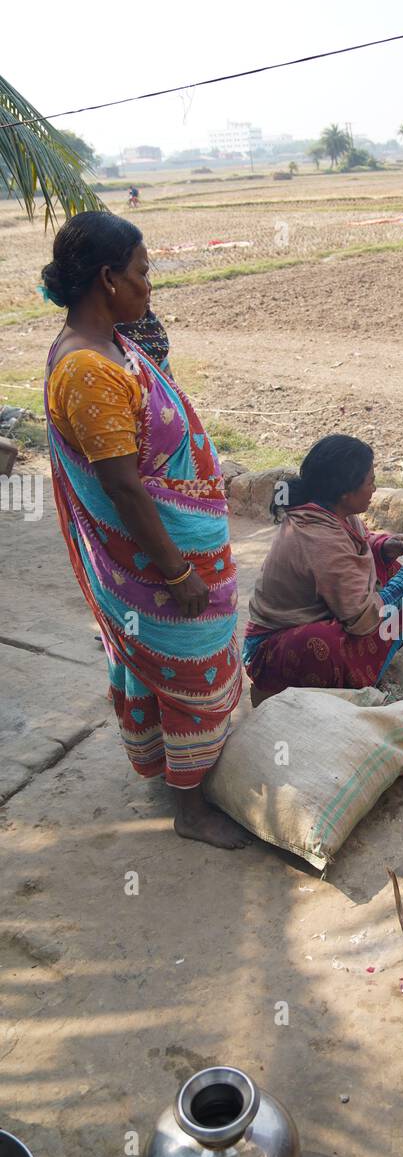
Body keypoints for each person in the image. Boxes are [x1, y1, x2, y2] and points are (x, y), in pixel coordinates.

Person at [41, 211, 247, 849]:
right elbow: (124, 487)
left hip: (172, 544)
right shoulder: (88, 370)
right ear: (107, 279)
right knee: (189, 662)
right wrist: (177, 571)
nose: (149, 285)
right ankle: (190, 808)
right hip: (156, 561)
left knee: (168, 660)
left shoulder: (110, 348)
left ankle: (172, 765)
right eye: (141, 272)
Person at [243, 434, 403, 702]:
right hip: (272, 649)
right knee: (326, 642)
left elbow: (360, 544)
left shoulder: (332, 512)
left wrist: (384, 546)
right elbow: (360, 619)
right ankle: (346, 685)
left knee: (389, 572)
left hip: (314, 612)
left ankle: (362, 670)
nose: (374, 489)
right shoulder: (319, 536)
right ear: (346, 492)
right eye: (370, 482)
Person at [116, 308, 174, 378]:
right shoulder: (112, 327)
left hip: (158, 380)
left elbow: (160, 356)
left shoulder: (148, 318)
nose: (148, 297)